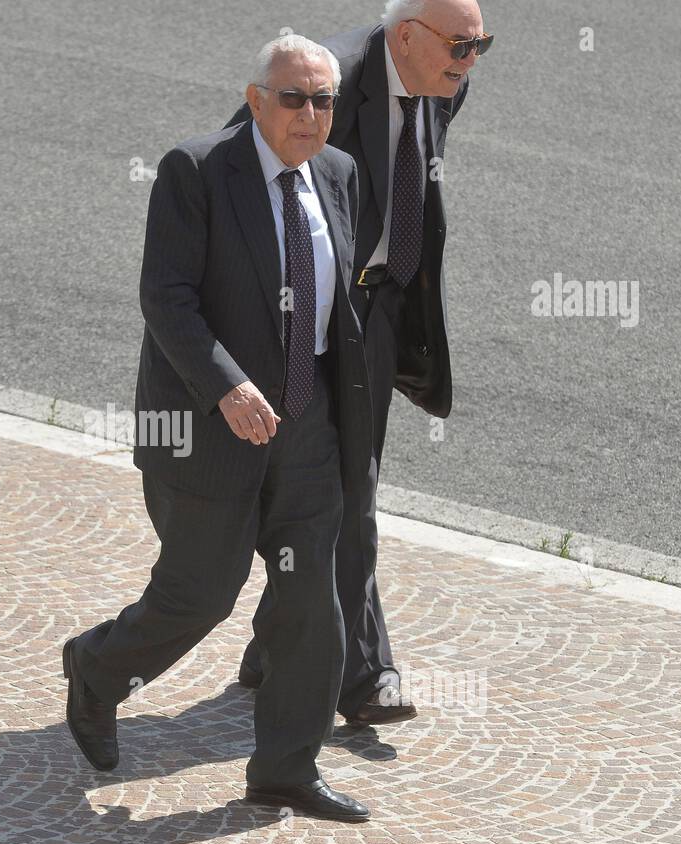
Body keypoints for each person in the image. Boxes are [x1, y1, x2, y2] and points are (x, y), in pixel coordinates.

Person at [62, 34, 377, 822]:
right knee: (201, 594)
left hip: (307, 432)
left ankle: (284, 771)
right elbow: (166, 297)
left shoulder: (338, 174)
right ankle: (98, 672)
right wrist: (227, 386)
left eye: (325, 100)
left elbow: (342, 301)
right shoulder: (196, 170)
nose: (312, 115)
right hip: (211, 429)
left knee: (312, 603)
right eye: (295, 98)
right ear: (256, 99)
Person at [229, 0, 491, 728]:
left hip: (371, 316)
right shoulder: (325, 81)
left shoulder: (442, 78)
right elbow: (233, 168)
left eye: (480, 46)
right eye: (459, 47)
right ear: (405, 36)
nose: (470, 63)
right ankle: (362, 672)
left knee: (341, 488)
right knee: (349, 494)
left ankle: (274, 645)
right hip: (306, 315)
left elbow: (404, 170)